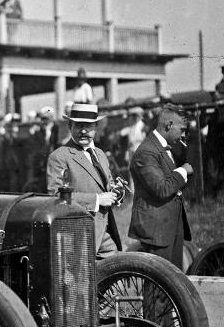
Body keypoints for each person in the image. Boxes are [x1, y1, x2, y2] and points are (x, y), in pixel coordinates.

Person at [46, 103, 121, 259]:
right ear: (69, 126)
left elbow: (108, 184)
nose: (84, 131)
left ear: (96, 126)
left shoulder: (100, 154)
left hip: (104, 231)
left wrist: (117, 192)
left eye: (88, 126)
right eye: (79, 126)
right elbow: (55, 196)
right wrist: (97, 200)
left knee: (111, 273)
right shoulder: (60, 156)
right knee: (79, 279)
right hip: (78, 232)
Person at [128, 104, 194, 269]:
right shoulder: (146, 152)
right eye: (182, 129)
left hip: (170, 226)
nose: (184, 135)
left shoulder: (166, 147)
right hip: (157, 231)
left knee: (172, 285)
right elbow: (162, 188)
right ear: (169, 125)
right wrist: (183, 171)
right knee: (156, 288)